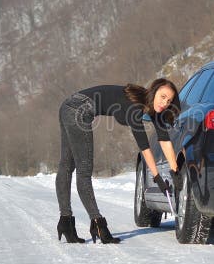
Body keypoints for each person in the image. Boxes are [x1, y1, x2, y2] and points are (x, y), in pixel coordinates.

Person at [55, 79, 182, 244]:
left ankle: (65, 223)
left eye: (169, 100)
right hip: (79, 110)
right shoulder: (135, 108)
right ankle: (98, 224)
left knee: (66, 165)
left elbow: (164, 141)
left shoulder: (151, 107)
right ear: (154, 91)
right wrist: (157, 177)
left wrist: (175, 171)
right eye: (163, 96)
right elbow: (145, 148)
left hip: (68, 105)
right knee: (83, 170)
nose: (165, 103)